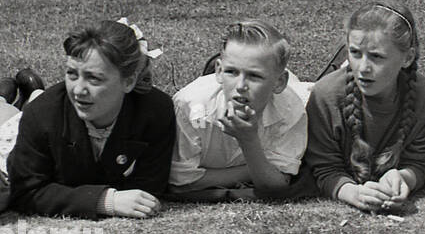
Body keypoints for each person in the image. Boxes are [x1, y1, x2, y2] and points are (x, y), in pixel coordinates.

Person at [6, 19, 175, 219]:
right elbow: (25, 191)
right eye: (71, 74)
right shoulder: (41, 115)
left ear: (128, 81)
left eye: (94, 78)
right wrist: (104, 200)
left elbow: (149, 187)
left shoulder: (156, 111)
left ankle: (30, 90)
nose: (78, 90)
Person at [305, 3, 425, 212]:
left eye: (376, 56)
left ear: (407, 57)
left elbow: (419, 162)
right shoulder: (326, 95)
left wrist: (403, 178)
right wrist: (352, 192)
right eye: (355, 53)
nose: (363, 68)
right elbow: (324, 168)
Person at [169, 20, 314, 201]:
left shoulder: (291, 109)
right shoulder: (189, 107)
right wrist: (252, 170)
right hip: (208, 94)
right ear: (219, 71)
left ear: (279, 82)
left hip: (289, 91)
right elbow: (181, 182)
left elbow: (276, 185)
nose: (240, 86)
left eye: (254, 76)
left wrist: (248, 140)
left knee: (308, 93)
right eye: (231, 72)